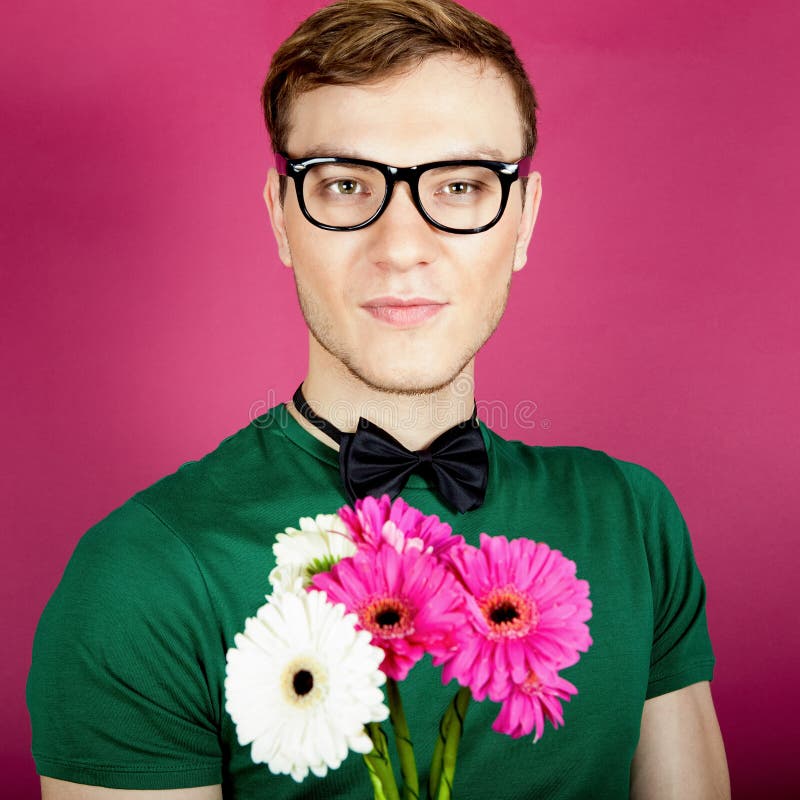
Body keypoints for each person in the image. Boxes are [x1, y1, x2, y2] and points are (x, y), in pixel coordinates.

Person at [27, 1, 731, 798]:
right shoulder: (141, 576)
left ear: (525, 223)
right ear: (283, 219)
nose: (401, 249)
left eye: (463, 185)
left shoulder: (633, 522)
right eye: (345, 185)